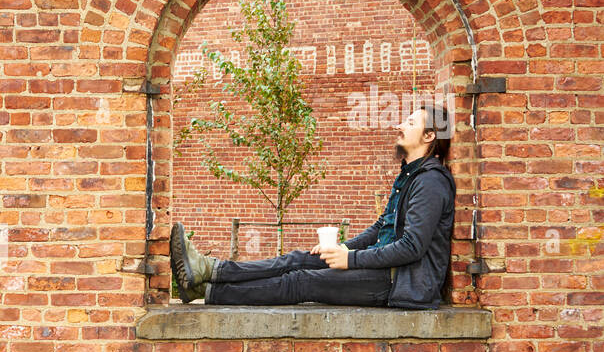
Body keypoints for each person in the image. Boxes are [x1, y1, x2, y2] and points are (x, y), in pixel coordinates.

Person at [170, 104, 456, 310]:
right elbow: (383, 226)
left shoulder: (431, 182)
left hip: (400, 284)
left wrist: (352, 259)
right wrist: (345, 248)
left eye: (409, 122)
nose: (399, 126)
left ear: (430, 136)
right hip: (382, 269)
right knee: (296, 259)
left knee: (301, 281)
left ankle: (207, 290)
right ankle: (209, 271)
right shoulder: (410, 175)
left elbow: (412, 247)